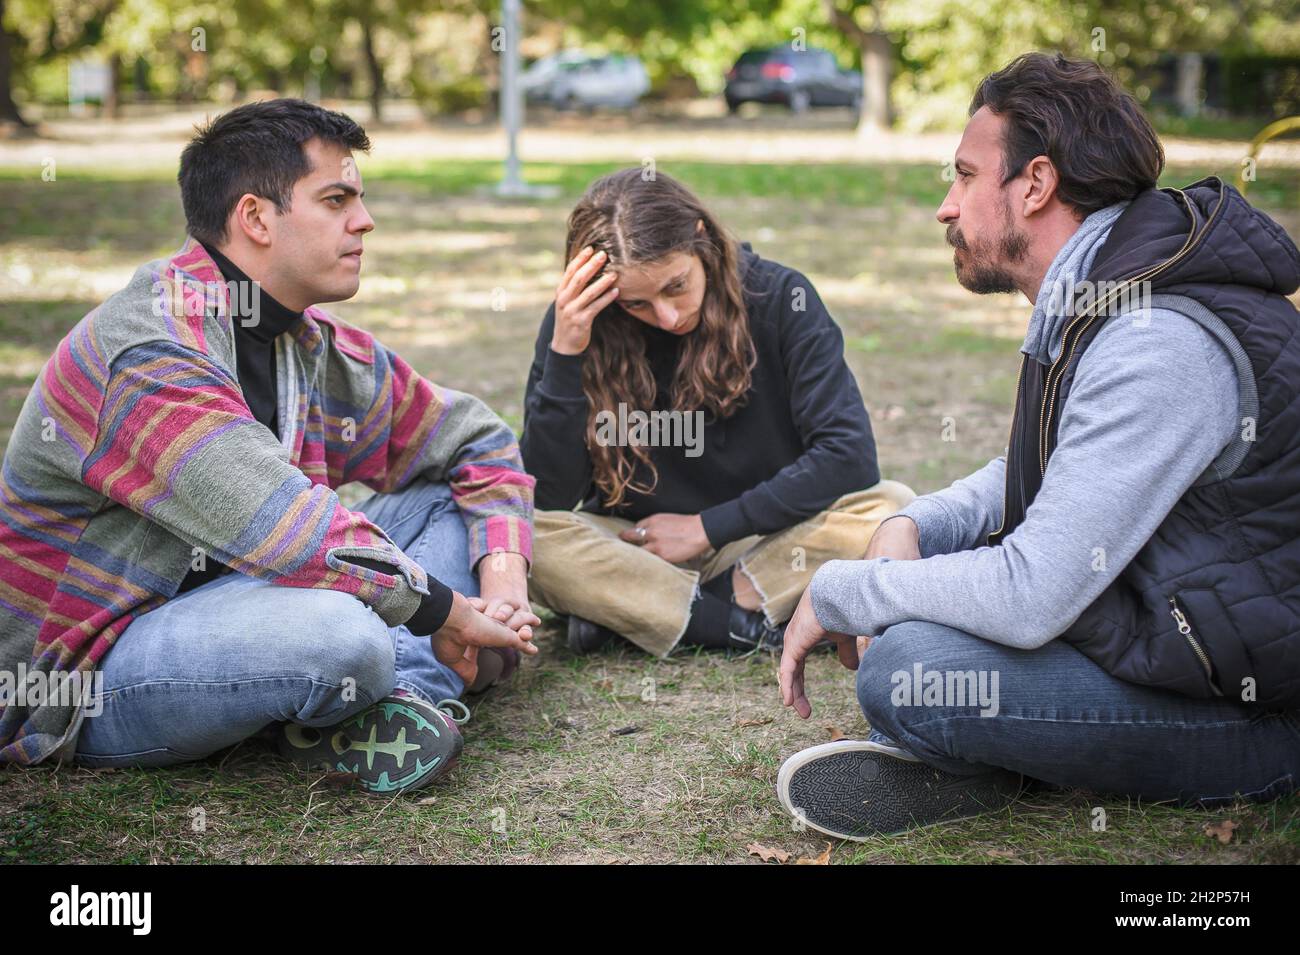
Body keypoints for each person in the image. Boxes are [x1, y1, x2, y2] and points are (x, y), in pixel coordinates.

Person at [776, 52, 1300, 841]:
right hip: (1179, 645)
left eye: (962, 176)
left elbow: (1032, 594)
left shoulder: (1156, 339)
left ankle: (1001, 763)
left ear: (1035, 183)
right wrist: (918, 523)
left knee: (912, 671)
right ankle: (1005, 757)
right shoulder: (1106, 288)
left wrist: (844, 589)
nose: (945, 208)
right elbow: (1061, 472)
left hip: (1261, 714)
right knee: (924, 641)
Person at [0, 99, 539, 796]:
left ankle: (397, 696)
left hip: (240, 605)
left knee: (449, 507)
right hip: (90, 671)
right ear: (255, 218)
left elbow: (478, 440)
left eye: (360, 199)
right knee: (342, 633)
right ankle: (396, 678)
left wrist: (503, 585)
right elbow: (287, 527)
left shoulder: (306, 341)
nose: (364, 221)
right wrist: (453, 613)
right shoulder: (150, 349)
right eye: (337, 199)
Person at [521, 168, 912, 657]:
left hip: (762, 542)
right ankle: (733, 622)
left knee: (892, 505)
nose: (666, 316)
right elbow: (547, 497)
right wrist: (565, 355)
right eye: (636, 303)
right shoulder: (578, 324)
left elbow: (849, 457)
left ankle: (654, 616)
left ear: (700, 238)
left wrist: (707, 527)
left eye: (675, 286)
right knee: (521, 532)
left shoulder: (780, 298)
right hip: (639, 550)